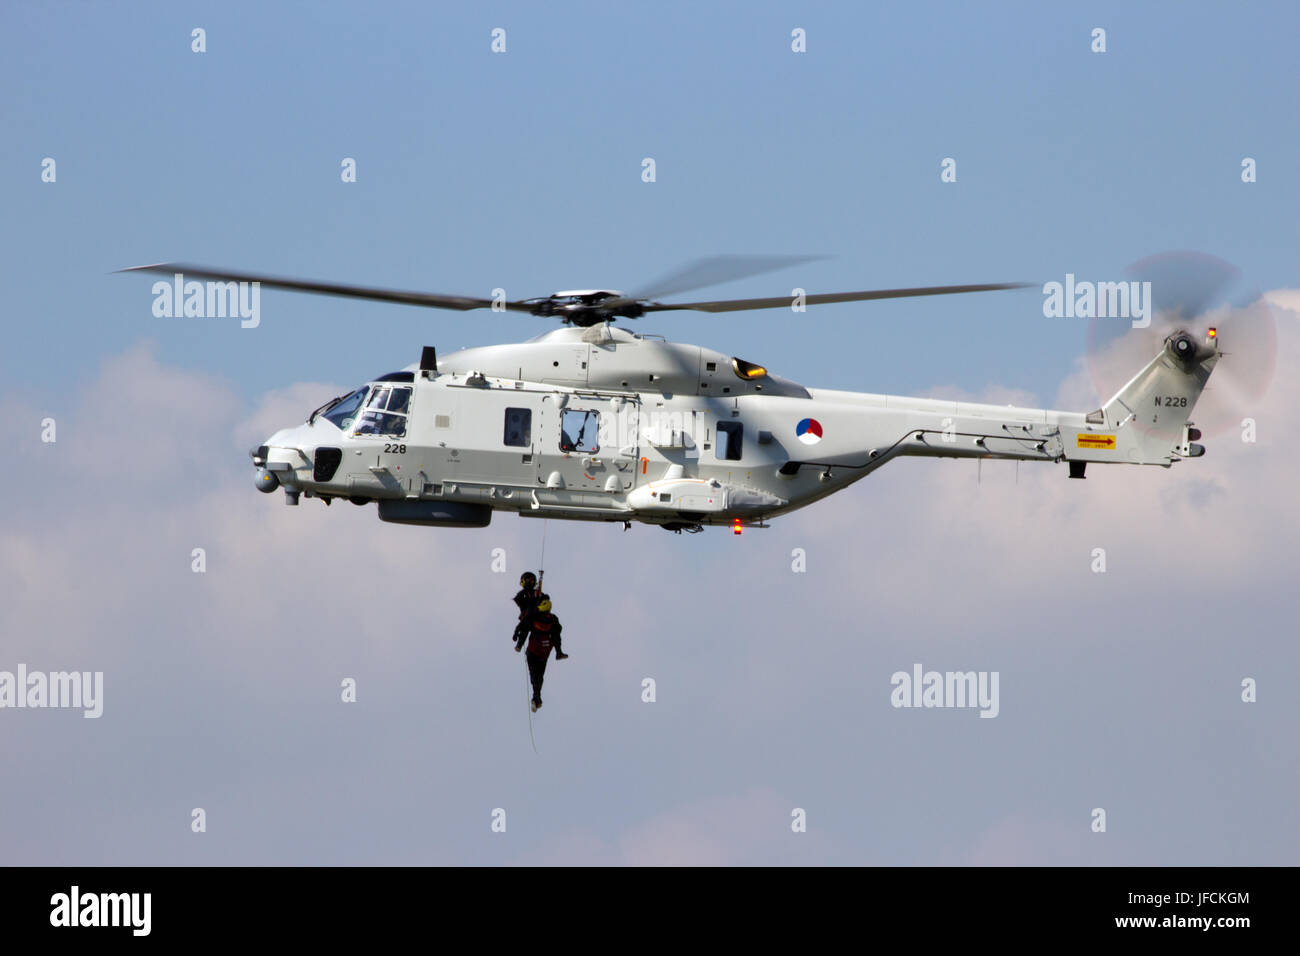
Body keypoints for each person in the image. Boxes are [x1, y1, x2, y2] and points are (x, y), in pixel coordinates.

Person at [515, 596, 567, 712]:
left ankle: (536, 698)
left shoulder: (543, 618)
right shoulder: (546, 618)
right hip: (540, 652)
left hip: (538, 652)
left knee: (537, 677)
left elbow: (523, 627)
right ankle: (536, 698)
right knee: (537, 677)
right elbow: (524, 627)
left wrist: (517, 635)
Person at [511, 572, 541, 644]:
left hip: (537, 614)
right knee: (525, 628)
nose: (531, 582)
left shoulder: (535, 592)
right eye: (529, 580)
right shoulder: (522, 593)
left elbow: (542, 598)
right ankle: (519, 643)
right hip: (527, 614)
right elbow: (518, 600)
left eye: (533, 580)